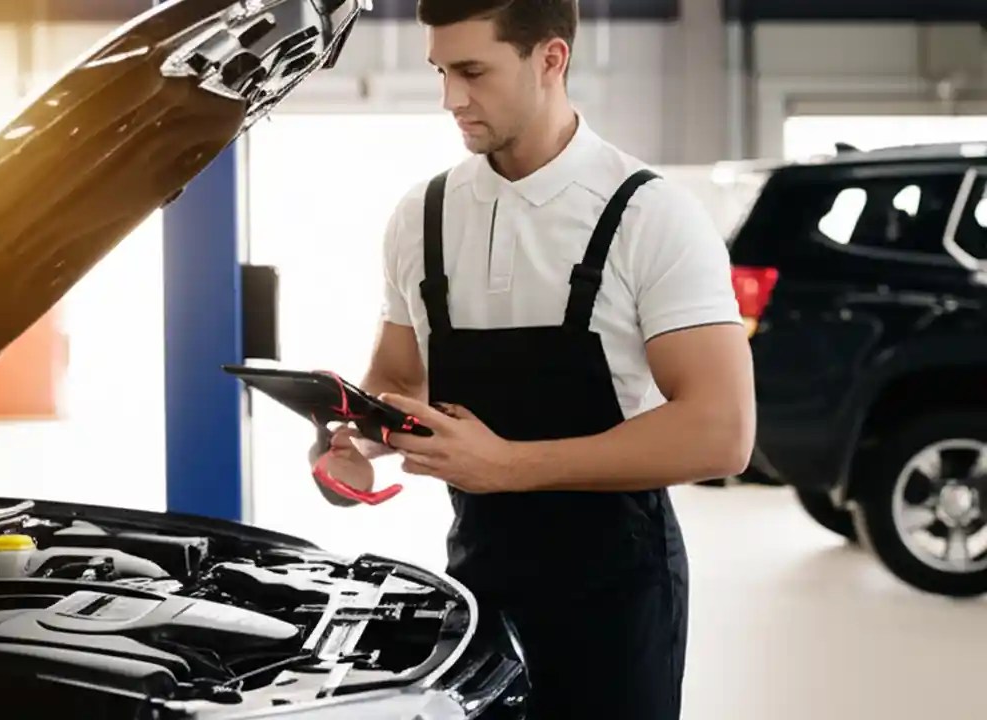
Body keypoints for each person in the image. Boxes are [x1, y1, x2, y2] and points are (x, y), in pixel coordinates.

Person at [308, 1, 756, 718]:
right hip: (477, 584)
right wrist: (354, 443)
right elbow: (395, 379)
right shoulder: (420, 217)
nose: (450, 98)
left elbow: (720, 431)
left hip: (618, 596)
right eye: (440, 71)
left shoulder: (650, 215)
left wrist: (508, 466)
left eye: (472, 71)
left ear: (551, 60)